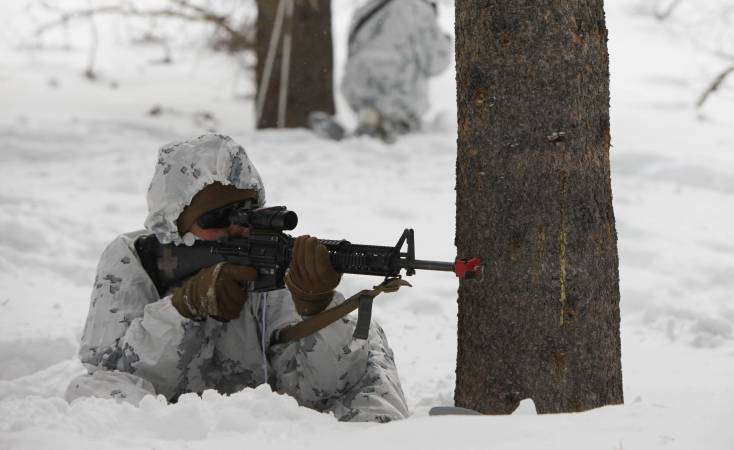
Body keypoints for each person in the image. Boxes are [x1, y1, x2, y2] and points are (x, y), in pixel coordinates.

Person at [66, 134, 409, 422]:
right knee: (98, 394)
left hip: (272, 426)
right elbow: (117, 372)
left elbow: (321, 388)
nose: (234, 229)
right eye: (215, 218)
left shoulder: (273, 263)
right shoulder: (137, 260)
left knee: (367, 352)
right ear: (175, 224)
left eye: (245, 212)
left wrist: (316, 309)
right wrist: (183, 308)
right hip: (169, 427)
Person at [311, 0, 452, 143]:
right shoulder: (418, 9)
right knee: (435, 125)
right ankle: (385, 128)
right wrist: (447, 42)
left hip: (357, 87)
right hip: (396, 91)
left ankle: (368, 122)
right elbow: (436, 64)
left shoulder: (369, 7)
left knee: (376, 112)